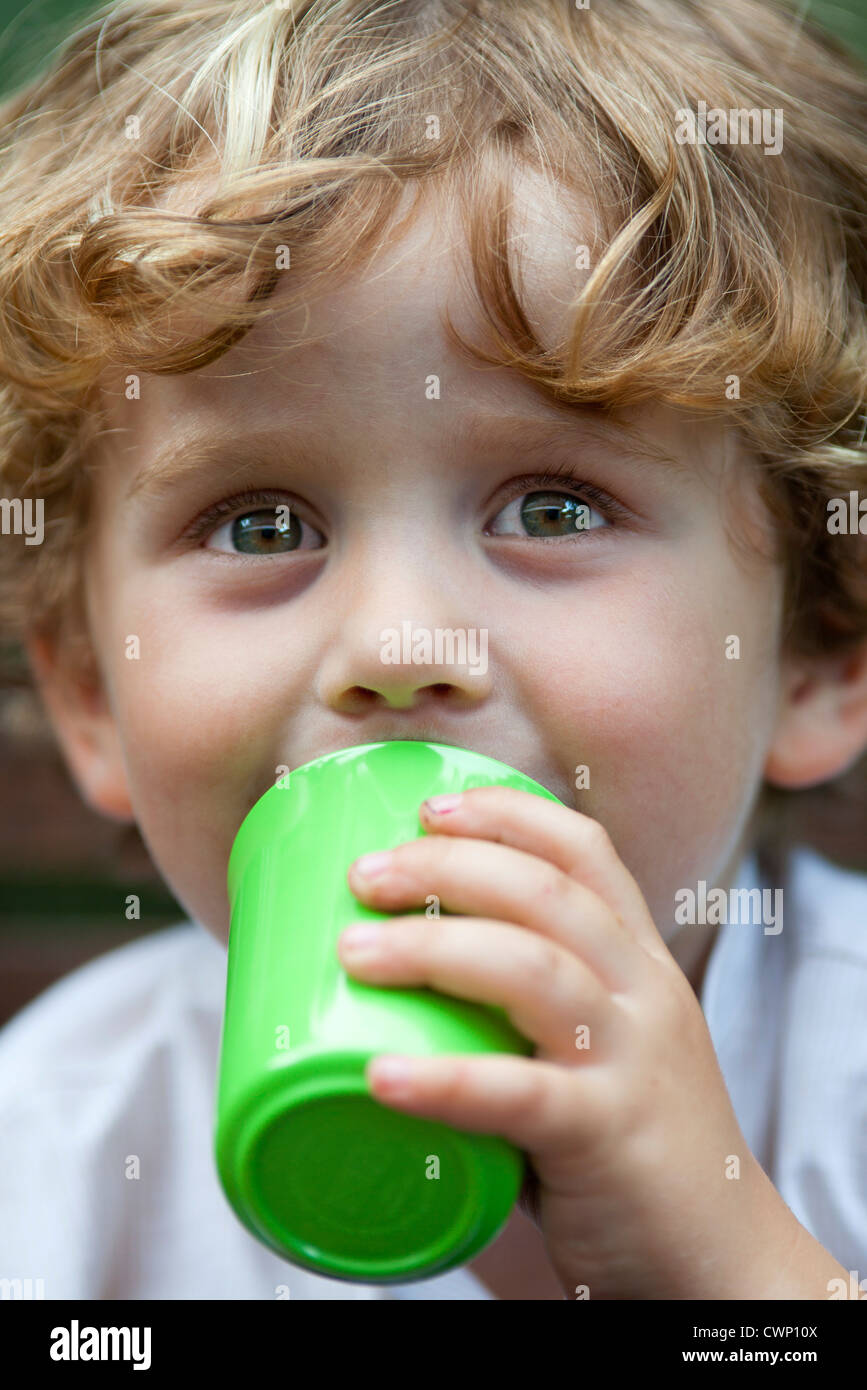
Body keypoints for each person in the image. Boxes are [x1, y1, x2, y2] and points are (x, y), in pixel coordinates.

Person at [0, 0, 865, 1300]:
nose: (398, 648)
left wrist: (734, 1276)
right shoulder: (61, 1145)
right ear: (89, 694)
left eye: (555, 508)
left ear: (822, 649)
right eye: (261, 522)